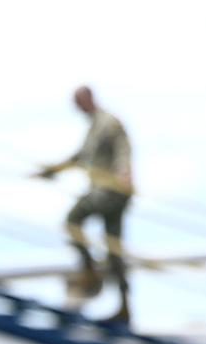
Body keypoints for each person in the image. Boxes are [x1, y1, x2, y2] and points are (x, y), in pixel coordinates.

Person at [35, 85, 135, 324]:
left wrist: (124, 171)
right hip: (108, 190)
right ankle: (124, 306)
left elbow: (123, 148)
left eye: (79, 103)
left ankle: (89, 271)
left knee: (73, 220)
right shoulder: (93, 127)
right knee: (114, 249)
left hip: (110, 190)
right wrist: (53, 170)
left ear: (89, 99)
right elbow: (79, 157)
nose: (78, 108)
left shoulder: (107, 122)